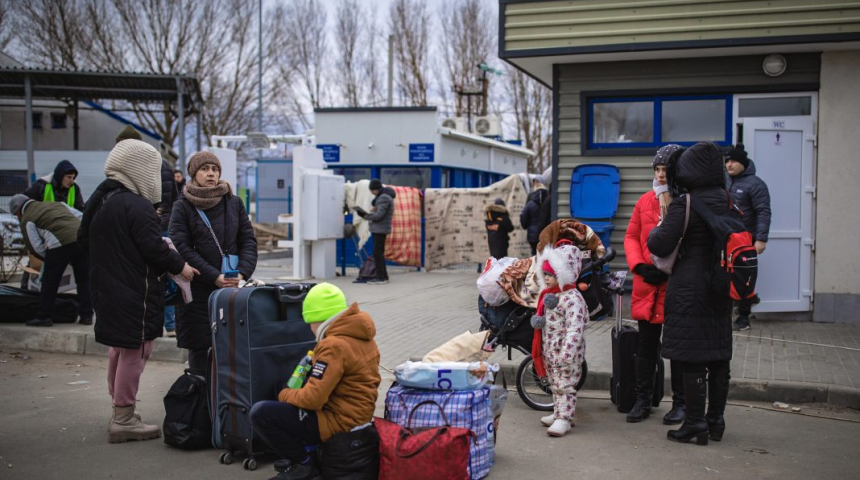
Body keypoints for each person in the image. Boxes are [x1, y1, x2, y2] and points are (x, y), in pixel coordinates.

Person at [81, 139, 198, 443]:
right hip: (134, 291)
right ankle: (123, 418)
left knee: (119, 348)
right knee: (136, 349)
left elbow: (85, 240)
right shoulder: (136, 205)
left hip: (107, 287)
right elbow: (154, 248)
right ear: (141, 169)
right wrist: (181, 266)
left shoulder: (102, 199)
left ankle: (120, 410)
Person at [648, 142, 735, 446]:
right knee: (719, 355)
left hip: (690, 289)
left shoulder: (685, 203)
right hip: (721, 286)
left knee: (693, 357)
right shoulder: (728, 199)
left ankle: (695, 422)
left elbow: (659, 244)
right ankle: (716, 420)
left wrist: (659, 224)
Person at [250, 283, 381, 480]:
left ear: (318, 320)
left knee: (262, 412)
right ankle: (309, 451)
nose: (310, 329)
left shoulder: (332, 345)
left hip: (339, 421)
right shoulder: (361, 335)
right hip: (357, 415)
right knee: (285, 391)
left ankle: (304, 463)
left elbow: (313, 399)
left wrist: (284, 394)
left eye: (309, 323)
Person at [169, 151, 258, 375]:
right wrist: (214, 276)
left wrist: (242, 273)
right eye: (204, 169)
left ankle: (225, 393)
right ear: (194, 173)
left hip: (231, 286)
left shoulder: (233, 203)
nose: (211, 174)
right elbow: (182, 247)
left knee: (231, 345)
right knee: (199, 347)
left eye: (215, 169)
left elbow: (248, 240)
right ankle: (200, 392)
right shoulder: (182, 206)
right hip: (197, 288)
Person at [623, 144, 687, 425]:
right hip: (646, 285)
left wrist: (672, 272)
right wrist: (638, 266)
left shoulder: (684, 202)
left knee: (677, 349)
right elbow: (631, 236)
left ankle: (681, 403)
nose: (661, 175)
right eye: (657, 169)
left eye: (666, 170)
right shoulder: (645, 201)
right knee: (646, 345)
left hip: (674, 286)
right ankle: (643, 400)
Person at [115, 125, 180, 337]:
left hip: (149, 226)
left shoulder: (139, 166)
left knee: (149, 276)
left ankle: (150, 321)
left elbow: (152, 202)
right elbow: (173, 199)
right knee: (164, 275)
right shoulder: (163, 164)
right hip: (162, 226)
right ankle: (169, 324)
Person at [529, 241, 588, 437]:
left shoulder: (573, 299)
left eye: (551, 275)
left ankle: (565, 418)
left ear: (563, 275)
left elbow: (575, 329)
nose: (546, 278)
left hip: (566, 354)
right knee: (554, 383)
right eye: (544, 274)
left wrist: (567, 353)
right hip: (552, 351)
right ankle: (558, 413)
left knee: (565, 385)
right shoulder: (552, 296)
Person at [8, 194, 92, 327]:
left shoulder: (27, 218)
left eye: (16, 215)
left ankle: (43, 317)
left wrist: (50, 259)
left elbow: (35, 246)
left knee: (50, 282)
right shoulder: (56, 204)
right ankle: (87, 316)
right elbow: (80, 216)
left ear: (18, 211)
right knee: (83, 280)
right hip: (81, 239)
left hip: (59, 243)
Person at [725, 144, 771, 331]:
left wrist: (761, 239)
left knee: (746, 277)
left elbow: (763, 212)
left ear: (743, 163)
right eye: (727, 161)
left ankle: (743, 318)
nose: (729, 164)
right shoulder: (724, 180)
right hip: (726, 238)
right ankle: (731, 310)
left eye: (734, 161)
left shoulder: (756, 184)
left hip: (746, 241)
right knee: (726, 276)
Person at [354, 179, 395, 285]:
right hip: (380, 229)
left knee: (378, 254)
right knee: (378, 253)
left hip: (380, 229)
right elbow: (380, 213)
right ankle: (383, 276)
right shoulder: (385, 196)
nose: (371, 193)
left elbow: (379, 216)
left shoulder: (383, 197)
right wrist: (372, 212)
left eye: (372, 190)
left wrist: (365, 216)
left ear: (376, 189)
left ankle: (381, 278)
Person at [520, 182, 549, 255]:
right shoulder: (549, 201)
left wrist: (525, 226)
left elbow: (523, 217)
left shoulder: (530, 204)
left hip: (533, 234)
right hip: (547, 233)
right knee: (546, 253)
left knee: (534, 252)